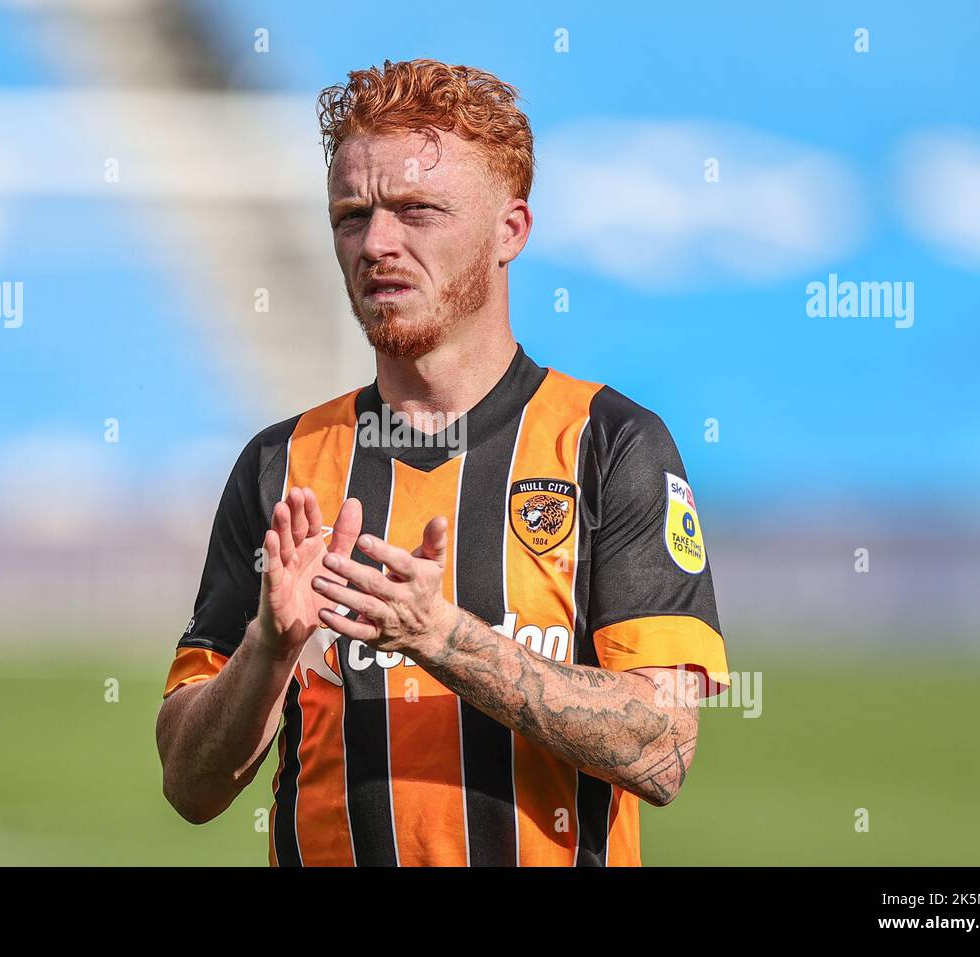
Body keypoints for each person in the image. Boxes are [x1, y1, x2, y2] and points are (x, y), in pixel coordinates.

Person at [156, 58, 730, 866]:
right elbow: (190, 784)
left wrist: (441, 635)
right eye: (352, 215)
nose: (377, 243)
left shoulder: (608, 444)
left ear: (511, 231)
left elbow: (662, 747)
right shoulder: (281, 464)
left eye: (416, 210)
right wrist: (268, 649)